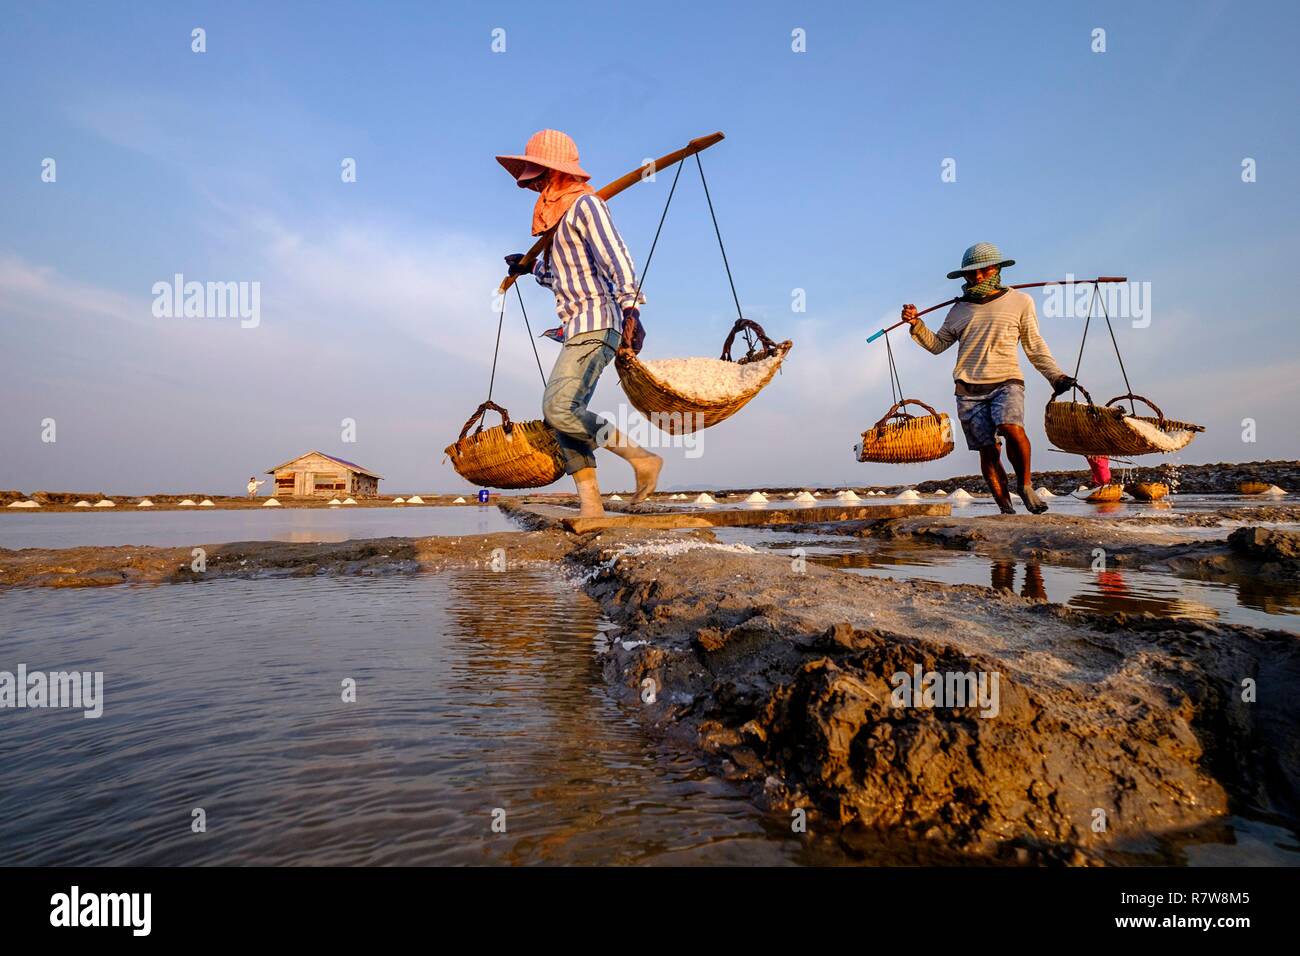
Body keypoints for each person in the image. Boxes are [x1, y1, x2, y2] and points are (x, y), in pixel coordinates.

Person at [497, 129, 661, 518]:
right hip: (575, 327)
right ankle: (591, 505)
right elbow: (562, 277)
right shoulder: (556, 221)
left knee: (558, 408)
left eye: (535, 173)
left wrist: (632, 308)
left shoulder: (586, 205)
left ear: (554, 172)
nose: (530, 183)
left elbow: (616, 258)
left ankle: (641, 458)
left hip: (598, 321)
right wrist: (531, 266)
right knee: (565, 416)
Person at [901, 243, 1075, 515]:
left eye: (984, 270)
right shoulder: (959, 310)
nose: (978, 277)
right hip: (968, 388)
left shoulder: (1020, 301)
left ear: (997, 269)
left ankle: (1025, 485)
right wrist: (916, 325)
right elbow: (937, 345)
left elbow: (1034, 345)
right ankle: (1005, 508)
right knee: (988, 450)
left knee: (1011, 427)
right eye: (971, 274)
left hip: (1007, 381)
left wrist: (1056, 377)